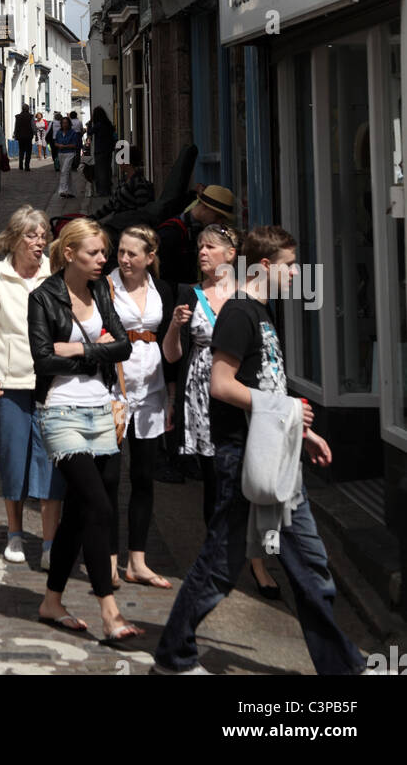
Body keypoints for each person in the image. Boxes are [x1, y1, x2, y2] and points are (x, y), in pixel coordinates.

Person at [153, 225, 368, 676]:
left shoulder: (264, 315)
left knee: (311, 567)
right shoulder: (239, 315)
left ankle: (344, 669)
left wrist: (300, 432)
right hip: (245, 458)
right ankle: (173, 658)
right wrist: (285, 410)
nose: (296, 275)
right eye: (291, 267)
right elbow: (222, 385)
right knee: (218, 566)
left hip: (278, 454)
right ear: (266, 266)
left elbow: (265, 383)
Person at [28, 219, 141, 641]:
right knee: (98, 507)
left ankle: (51, 600)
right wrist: (98, 351)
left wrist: (77, 348)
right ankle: (109, 613)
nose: (103, 260)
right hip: (61, 413)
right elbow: (42, 359)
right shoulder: (43, 297)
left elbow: (124, 346)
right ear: (70, 252)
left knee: (78, 513)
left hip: (102, 411)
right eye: (94, 253)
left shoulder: (100, 291)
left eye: (103, 252)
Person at [162, 223, 279, 598]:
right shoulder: (188, 295)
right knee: (214, 480)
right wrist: (174, 327)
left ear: (231, 254)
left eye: (210, 246)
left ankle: (258, 561)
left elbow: (263, 350)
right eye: (199, 246)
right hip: (200, 398)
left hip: (239, 394)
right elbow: (171, 356)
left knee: (252, 478)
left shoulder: (248, 298)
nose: (202, 252)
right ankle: (216, 554)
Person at [0, 208, 64, 568]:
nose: (39, 242)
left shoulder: (54, 276)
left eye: (43, 235)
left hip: (51, 383)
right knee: (14, 456)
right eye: (31, 235)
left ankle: (50, 541)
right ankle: (14, 532)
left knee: (50, 459)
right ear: (14, 238)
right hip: (9, 383)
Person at [107, 225, 174, 589]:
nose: (125, 259)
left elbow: (168, 341)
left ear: (150, 257)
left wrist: (173, 394)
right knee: (109, 479)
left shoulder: (161, 289)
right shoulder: (105, 286)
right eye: (121, 251)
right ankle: (109, 560)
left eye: (133, 253)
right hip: (113, 393)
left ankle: (137, 560)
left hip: (152, 393)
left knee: (144, 477)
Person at [157, 184, 236, 291]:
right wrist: (191, 288)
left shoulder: (199, 230)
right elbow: (159, 281)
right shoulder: (170, 234)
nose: (219, 222)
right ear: (204, 207)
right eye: (218, 216)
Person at [90, 107, 117, 197]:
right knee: (107, 169)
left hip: (100, 150)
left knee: (100, 171)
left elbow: (90, 132)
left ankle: (102, 191)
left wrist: (90, 123)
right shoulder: (108, 124)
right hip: (108, 150)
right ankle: (108, 189)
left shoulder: (98, 125)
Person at [54, 115, 81, 199]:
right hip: (61, 154)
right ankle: (71, 191)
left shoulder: (73, 132)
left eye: (66, 123)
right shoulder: (59, 132)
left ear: (69, 124)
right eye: (63, 123)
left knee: (64, 171)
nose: (64, 125)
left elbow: (74, 144)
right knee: (67, 172)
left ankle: (63, 190)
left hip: (69, 153)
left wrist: (65, 146)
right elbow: (55, 143)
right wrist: (59, 145)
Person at [13, 105, 35, 172]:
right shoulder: (31, 116)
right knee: (28, 151)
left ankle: (20, 165)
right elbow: (33, 126)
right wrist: (35, 133)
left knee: (21, 150)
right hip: (28, 136)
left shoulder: (18, 116)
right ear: (28, 109)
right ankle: (27, 166)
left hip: (20, 136)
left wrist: (15, 134)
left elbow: (16, 126)